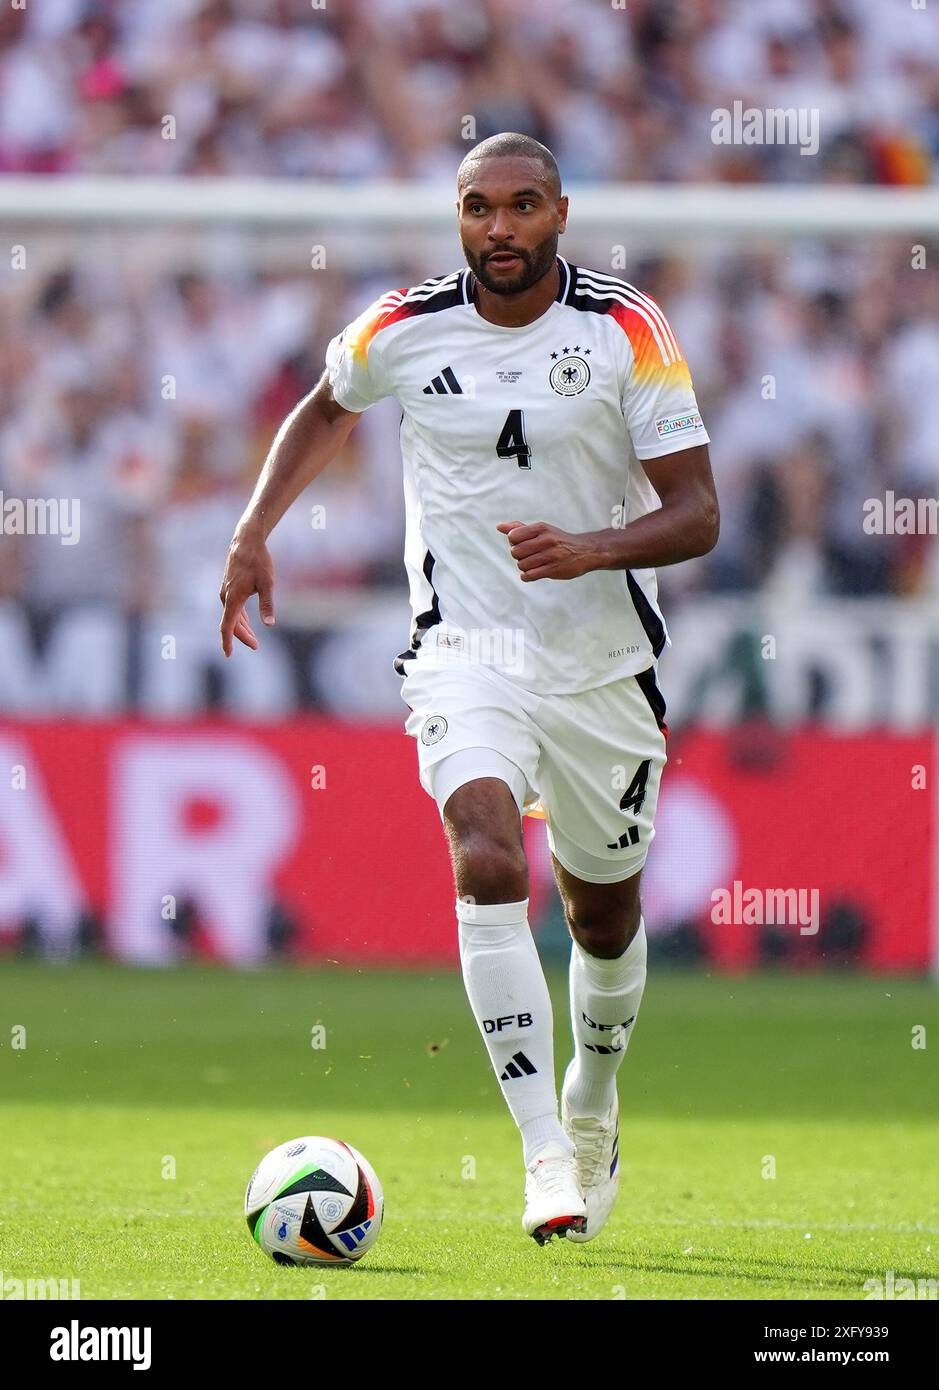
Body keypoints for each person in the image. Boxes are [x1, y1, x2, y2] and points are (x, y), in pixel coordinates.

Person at [219, 132, 719, 1245]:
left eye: (522, 205)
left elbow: (700, 511)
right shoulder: (401, 326)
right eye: (478, 207)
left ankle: (592, 1099)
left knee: (603, 914)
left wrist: (592, 549)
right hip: (464, 650)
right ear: (457, 216)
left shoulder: (626, 327)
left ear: (561, 213)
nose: (499, 228)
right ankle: (544, 1150)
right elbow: (323, 405)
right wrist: (254, 530)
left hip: (602, 667)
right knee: (487, 852)